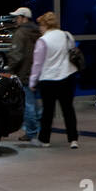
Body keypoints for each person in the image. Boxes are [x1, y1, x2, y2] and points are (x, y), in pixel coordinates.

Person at [28, 12, 81, 148]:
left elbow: (37, 64)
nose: (40, 28)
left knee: (48, 111)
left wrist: (33, 82)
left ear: (45, 25)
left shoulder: (43, 41)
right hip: (67, 76)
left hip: (48, 79)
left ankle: (45, 140)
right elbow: (72, 52)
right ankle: (73, 139)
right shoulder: (66, 35)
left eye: (41, 25)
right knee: (68, 109)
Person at [5, 7, 43, 144]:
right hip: (37, 73)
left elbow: (16, 55)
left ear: (24, 18)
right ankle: (39, 128)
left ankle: (31, 132)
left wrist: (9, 69)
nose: (16, 20)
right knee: (36, 104)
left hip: (24, 73)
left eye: (17, 17)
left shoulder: (20, 33)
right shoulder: (38, 32)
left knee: (28, 104)